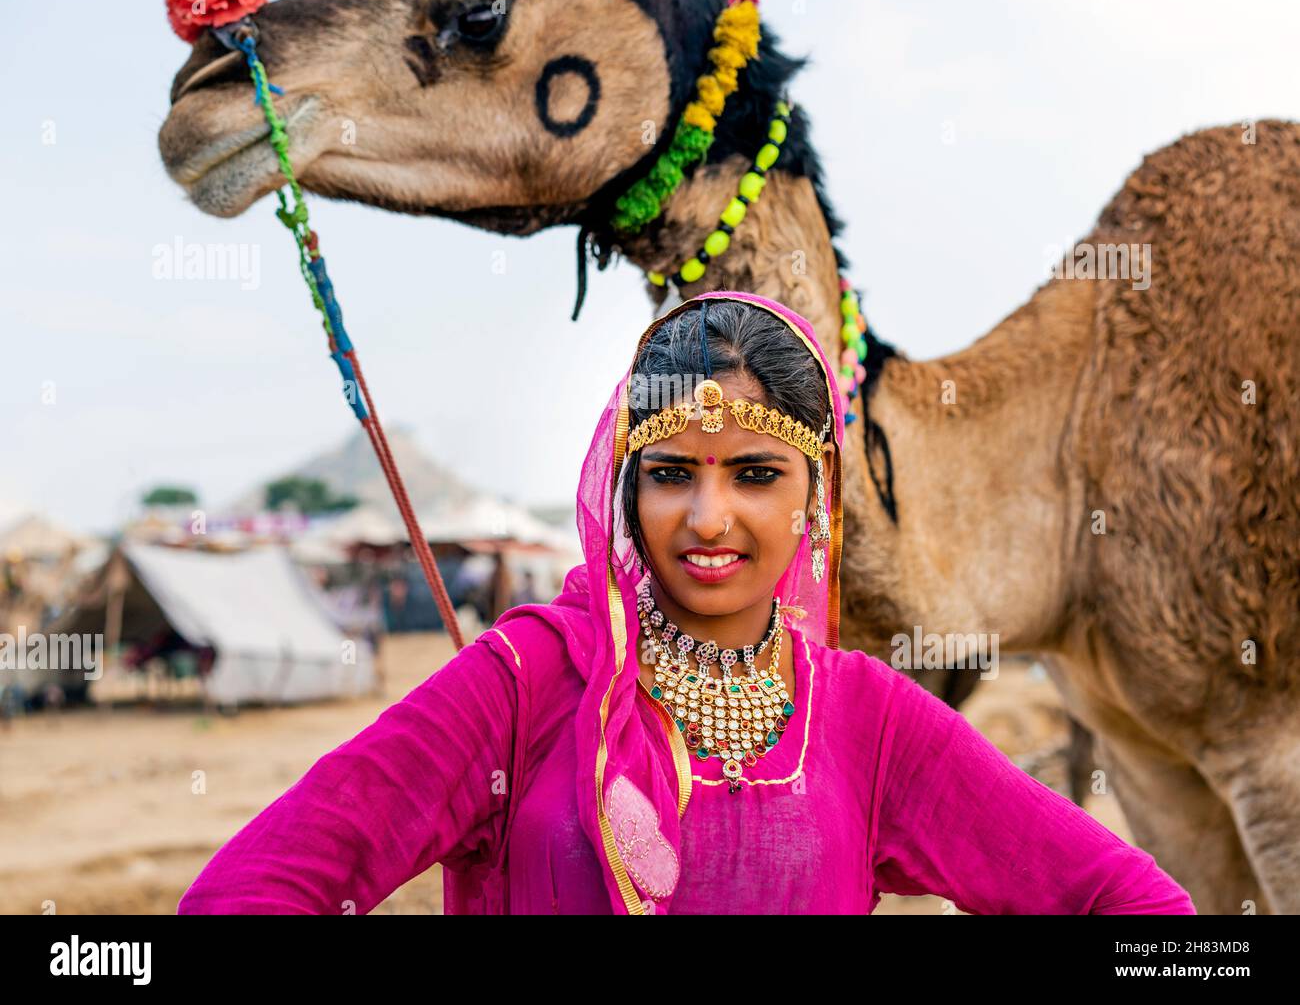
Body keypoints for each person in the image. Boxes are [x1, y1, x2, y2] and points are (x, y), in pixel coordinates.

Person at [177, 291, 1195, 915]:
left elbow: (1125, 897)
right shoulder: (528, 679)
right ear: (628, 484)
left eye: (755, 473)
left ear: (815, 497)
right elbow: (249, 891)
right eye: (671, 473)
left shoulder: (866, 717)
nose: (708, 517)